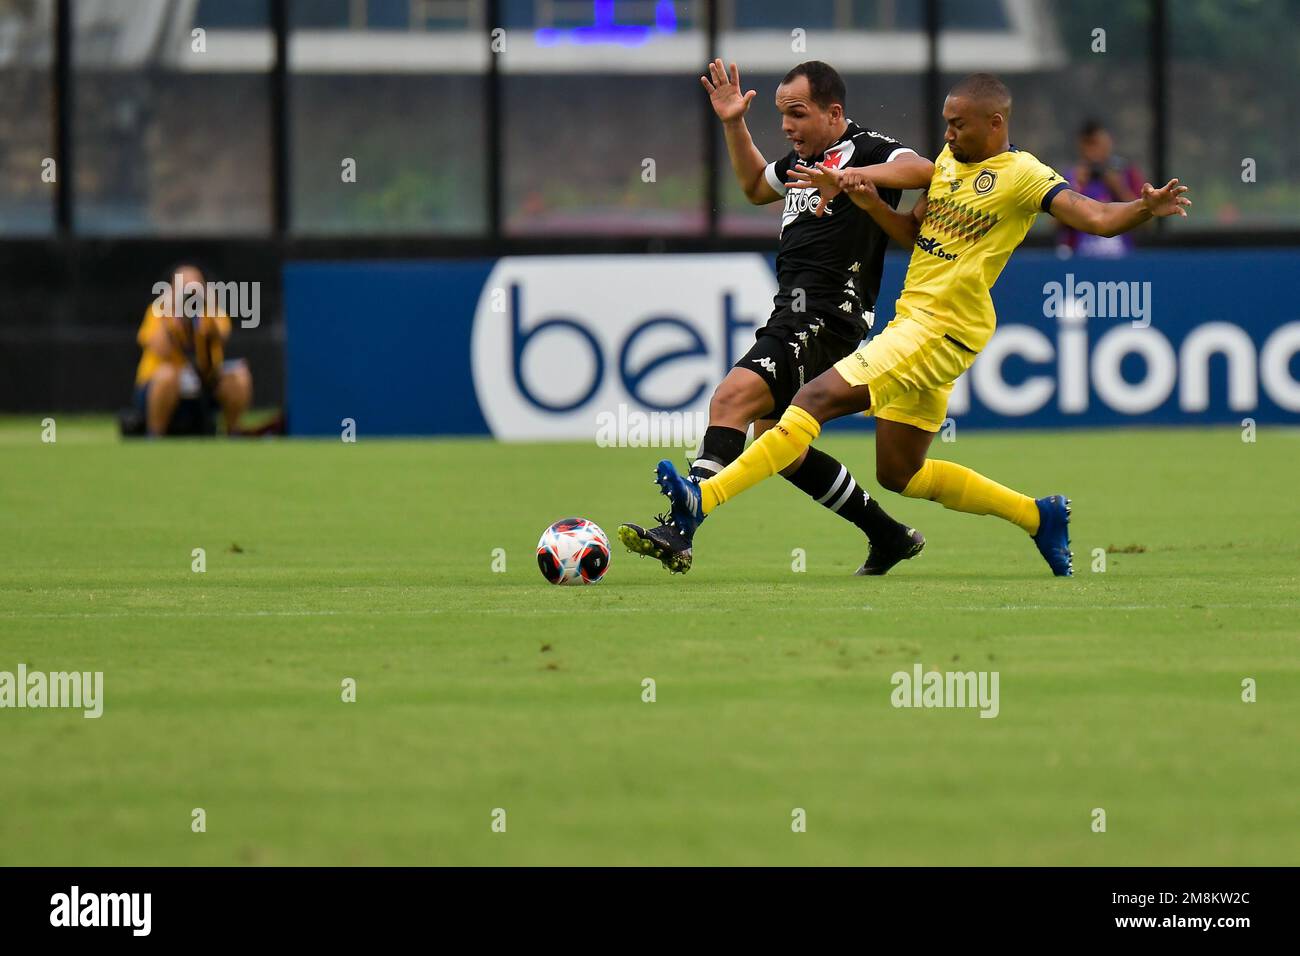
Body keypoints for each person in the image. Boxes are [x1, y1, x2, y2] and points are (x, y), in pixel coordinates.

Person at [647, 73, 1191, 577]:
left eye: (959, 124)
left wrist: (1143, 209)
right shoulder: (949, 166)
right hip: (921, 323)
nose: (948, 134)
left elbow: (1095, 218)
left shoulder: (1022, 174)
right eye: (946, 122)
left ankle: (704, 499)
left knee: (808, 403)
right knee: (900, 472)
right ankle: (1038, 516)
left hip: (939, 328)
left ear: (995, 123)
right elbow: (910, 233)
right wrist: (867, 202)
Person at [618, 59, 935, 575]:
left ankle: (681, 527)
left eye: (798, 113)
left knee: (731, 397)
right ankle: (889, 535)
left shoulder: (868, 149)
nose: (787, 125)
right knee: (776, 444)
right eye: (782, 114)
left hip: (829, 317)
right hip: (791, 311)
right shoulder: (799, 161)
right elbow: (753, 187)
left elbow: (923, 169)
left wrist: (852, 178)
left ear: (834, 113)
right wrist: (732, 123)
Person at [132, 264, 252, 437]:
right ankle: (155, 434)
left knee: (239, 375)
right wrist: (172, 316)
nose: (189, 293)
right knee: (167, 374)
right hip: (161, 388)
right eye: (183, 287)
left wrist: (206, 309)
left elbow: (222, 335)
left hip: (204, 383)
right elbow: (161, 349)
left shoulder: (211, 311)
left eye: (195, 286)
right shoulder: (158, 311)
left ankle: (233, 432)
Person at [1058, 118, 1146, 257]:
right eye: (1088, 144)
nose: (1092, 151)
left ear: (1108, 142)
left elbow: (1145, 219)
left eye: (1096, 143)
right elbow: (1056, 224)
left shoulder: (1126, 173)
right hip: (1079, 259)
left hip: (1121, 257)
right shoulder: (1071, 177)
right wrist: (1076, 188)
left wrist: (1118, 187)